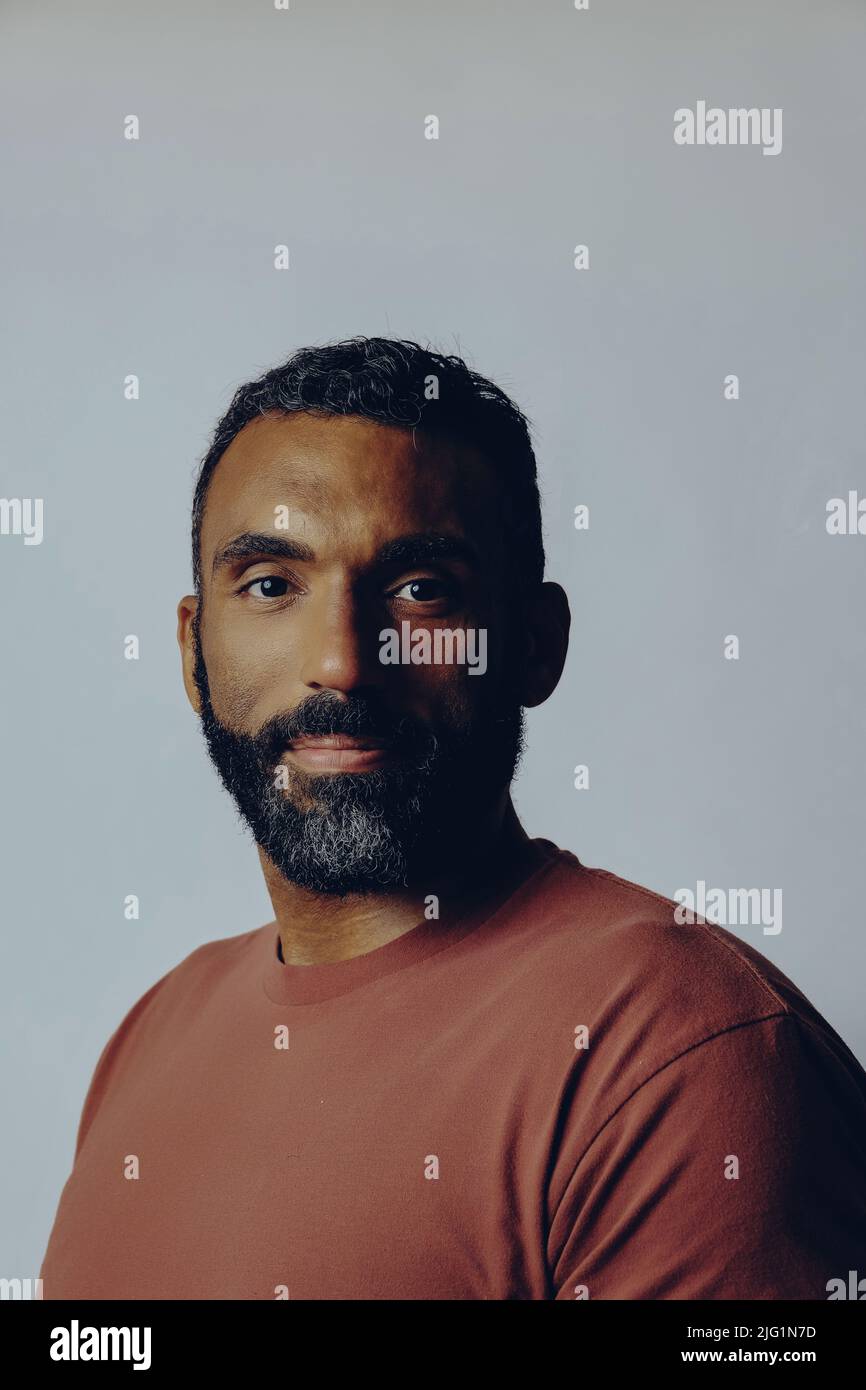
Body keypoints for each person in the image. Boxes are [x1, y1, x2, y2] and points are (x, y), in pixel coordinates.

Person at [41, 337, 866, 1299]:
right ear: (194, 653)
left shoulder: (680, 1054)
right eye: (272, 585)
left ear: (534, 644)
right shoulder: (153, 1033)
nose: (343, 661)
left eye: (419, 589)